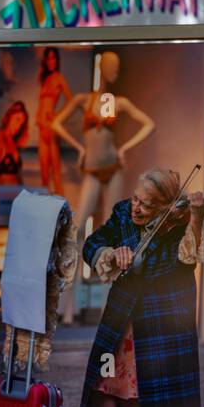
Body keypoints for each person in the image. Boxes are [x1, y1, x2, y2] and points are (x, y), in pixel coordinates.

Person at [78, 168, 204, 407]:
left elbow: (187, 260)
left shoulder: (179, 224)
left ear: (164, 208)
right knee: (103, 386)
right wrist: (113, 254)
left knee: (156, 397)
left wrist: (198, 215)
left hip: (162, 317)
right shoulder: (121, 214)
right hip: (124, 313)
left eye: (146, 205)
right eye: (135, 199)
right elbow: (92, 244)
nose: (136, 208)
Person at [52, 50, 155, 323]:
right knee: (75, 229)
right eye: (112, 66)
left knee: (117, 229)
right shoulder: (84, 100)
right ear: (102, 66)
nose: (115, 72)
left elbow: (149, 124)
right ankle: (67, 307)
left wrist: (124, 149)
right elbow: (55, 123)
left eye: (118, 68)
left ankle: (112, 307)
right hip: (92, 171)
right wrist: (79, 148)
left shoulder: (117, 102)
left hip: (113, 169)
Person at [36, 48, 72, 194]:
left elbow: (71, 101)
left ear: (57, 60)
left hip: (51, 127)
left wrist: (57, 116)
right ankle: (44, 210)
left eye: (53, 58)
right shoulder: (43, 78)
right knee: (44, 172)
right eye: (48, 58)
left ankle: (63, 212)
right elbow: (42, 104)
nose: (51, 61)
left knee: (56, 172)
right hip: (41, 127)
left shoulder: (59, 78)